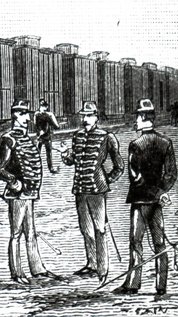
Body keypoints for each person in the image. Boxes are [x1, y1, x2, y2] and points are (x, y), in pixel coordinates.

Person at [0, 99, 61, 284]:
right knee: (16, 234)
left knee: (31, 232)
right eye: (23, 114)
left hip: (29, 194)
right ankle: (17, 273)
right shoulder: (9, 139)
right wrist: (14, 182)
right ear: (15, 115)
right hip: (17, 194)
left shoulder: (26, 139)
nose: (27, 117)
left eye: (27, 113)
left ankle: (37, 269)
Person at [113, 99, 177, 296]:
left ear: (142, 118)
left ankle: (133, 284)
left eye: (137, 118)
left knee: (136, 241)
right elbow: (171, 174)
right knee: (160, 242)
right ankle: (161, 285)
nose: (135, 122)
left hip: (140, 201)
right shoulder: (166, 142)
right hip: (158, 201)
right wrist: (161, 192)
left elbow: (136, 177)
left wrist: (150, 192)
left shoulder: (135, 144)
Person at [61, 101, 123, 283]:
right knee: (86, 230)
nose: (85, 119)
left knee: (100, 229)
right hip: (80, 189)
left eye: (89, 115)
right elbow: (73, 161)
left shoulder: (107, 137)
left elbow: (119, 166)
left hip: (97, 191)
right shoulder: (77, 136)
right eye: (83, 116)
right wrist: (65, 154)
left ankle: (103, 269)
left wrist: (106, 180)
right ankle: (92, 264)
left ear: (96, 117)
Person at [34, 99, 61, 174]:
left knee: (38, 152)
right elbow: (56, 126)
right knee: (48, 153)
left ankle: (35, 168)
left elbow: (35, 124)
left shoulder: (36, 114)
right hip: (46, 136)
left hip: (40, 136)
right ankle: (51, 168)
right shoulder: (48, 114)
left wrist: (39, 132)